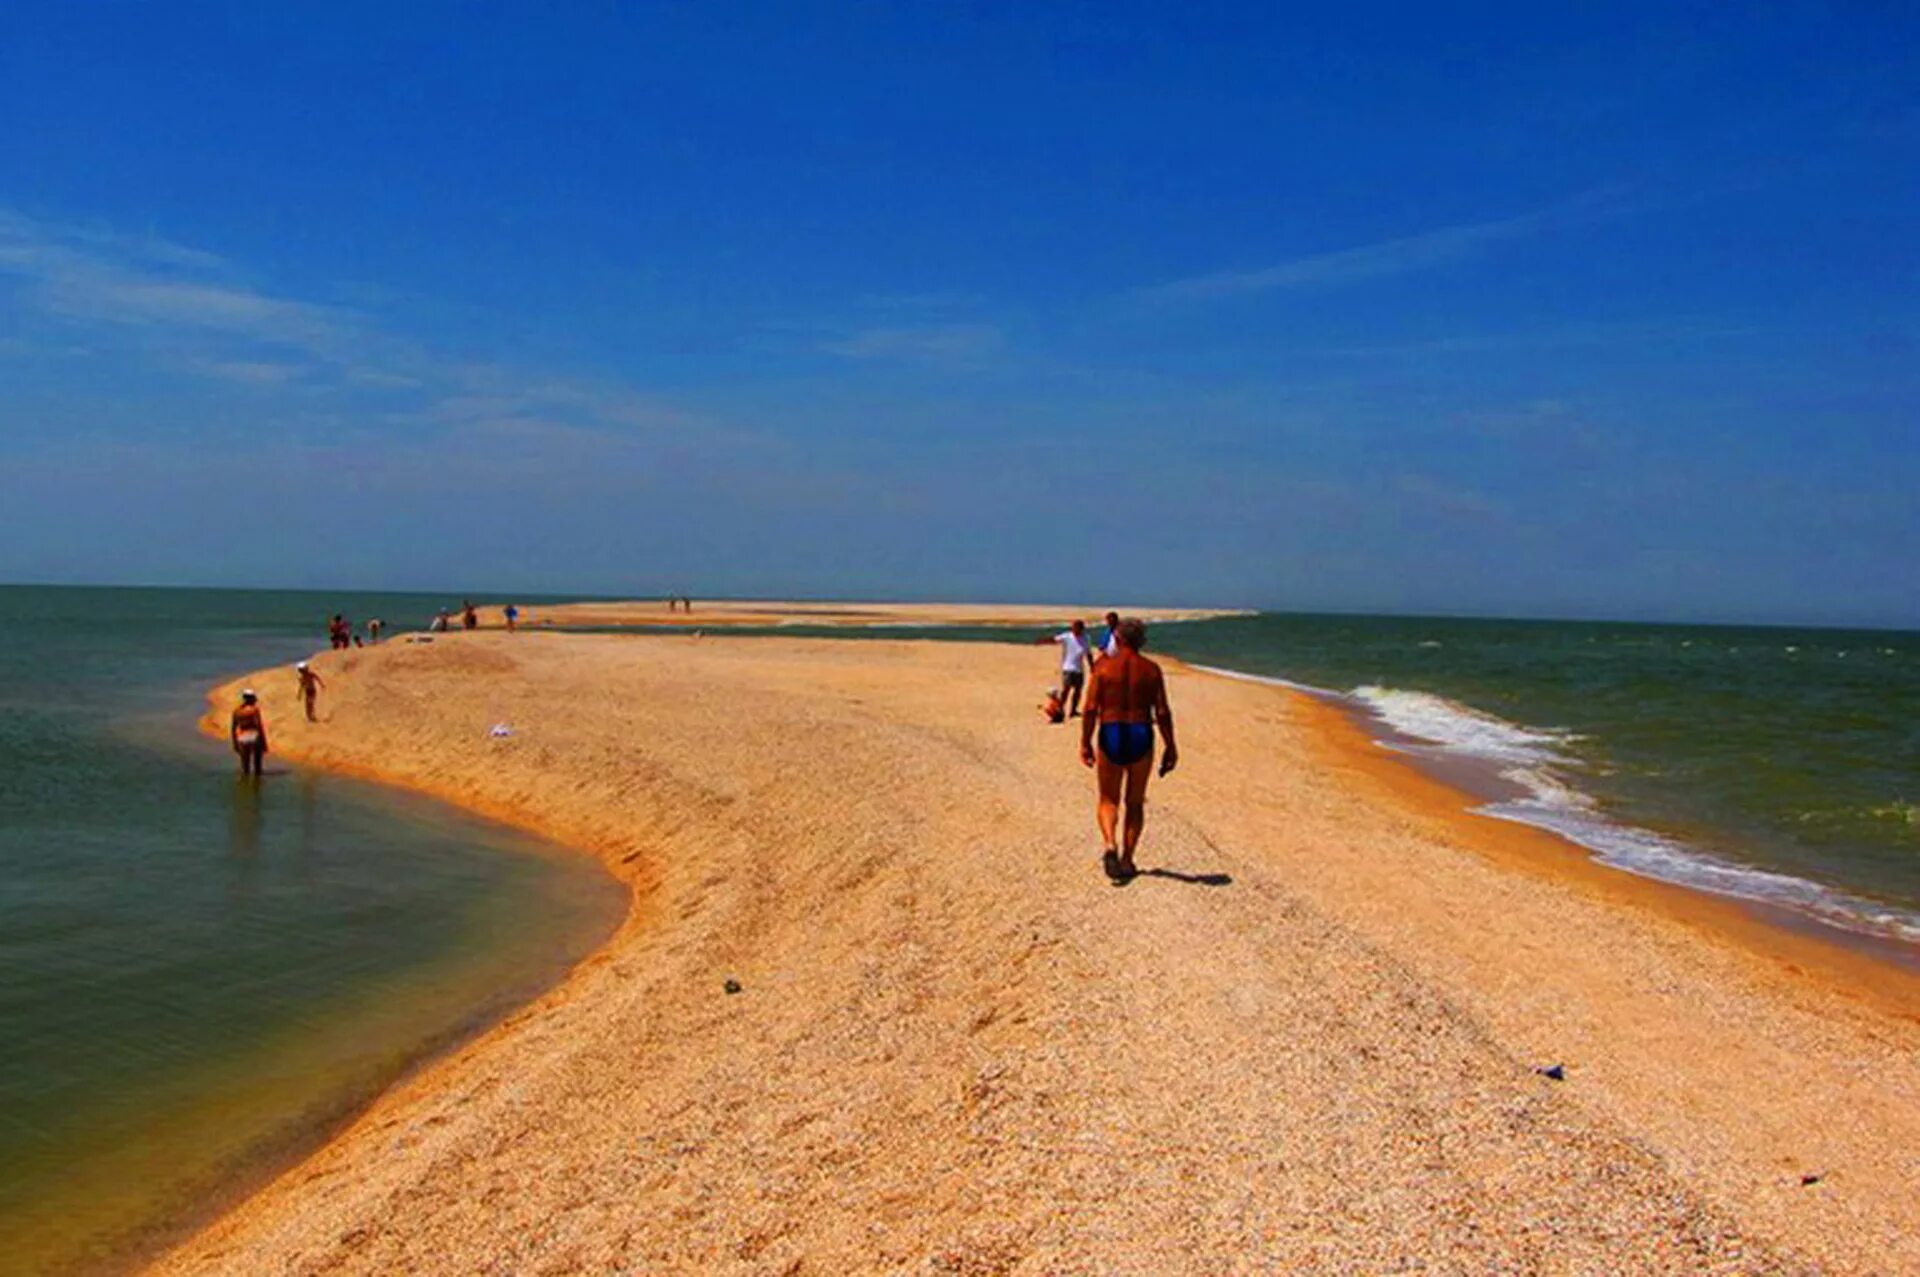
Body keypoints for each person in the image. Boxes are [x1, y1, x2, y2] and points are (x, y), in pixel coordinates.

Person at [1079, 617, 1178, 883]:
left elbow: (1089, 709)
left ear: (1118, 639)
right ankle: (1127, 860)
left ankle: (1110, 844)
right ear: (1141, 642)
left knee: (1108, 798)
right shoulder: (1151, 670)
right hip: (1140, 733)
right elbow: (1163, 712)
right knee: (1134, 802)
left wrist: (1085, 742)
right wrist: (1171, 746)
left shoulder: (1103, 668)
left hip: (1111, 731)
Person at [1036, 619, 1092, 719]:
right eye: (1074, 627)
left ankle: (1073, 711)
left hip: (1079, 669)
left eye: (1078, 628)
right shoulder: (1067, 636)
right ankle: (1060, 709)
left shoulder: (1086, 638)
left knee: (1078, 691)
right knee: (1066, 690)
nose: (1076, 629)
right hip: (1068, 668)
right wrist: (1041, 641)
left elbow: (1088, 653)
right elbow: (1054, 640)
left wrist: (1092, 666)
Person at [230, 689, 269, 778]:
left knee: (245, 767)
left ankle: (245, 785)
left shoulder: (237, 711)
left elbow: (233, 728)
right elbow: (259, 726)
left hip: (242, 737)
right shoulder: (254, 710)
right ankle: (257, 785)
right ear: (252, 699)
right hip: (253, 735)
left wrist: (235, 743)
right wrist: (264, 742)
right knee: (257, 764)